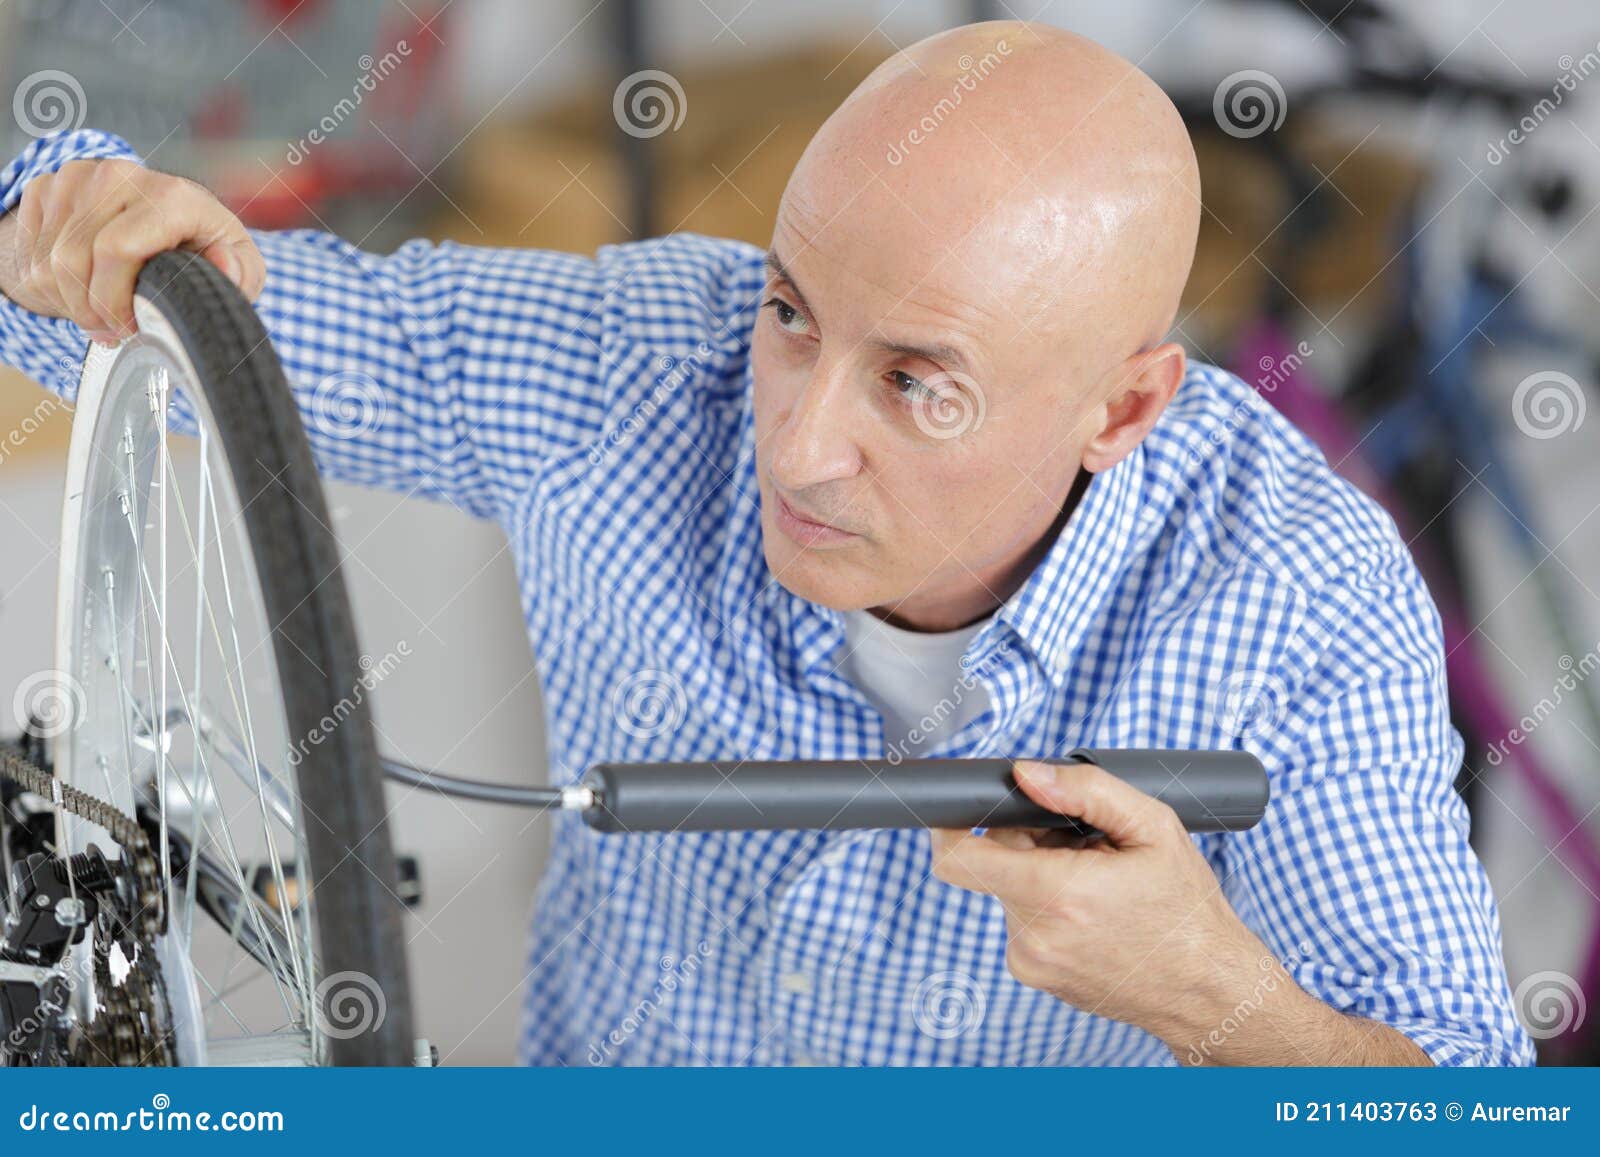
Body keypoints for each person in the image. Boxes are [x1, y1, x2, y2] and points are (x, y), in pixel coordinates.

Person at [0, 22, 1532, 1065]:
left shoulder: (1299, 595)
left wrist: (1227, 1002)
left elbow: (1466, 1100)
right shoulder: (641, 359)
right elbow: (194, 314)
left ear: (1121, 409)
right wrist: (80, 222)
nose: (794, 442)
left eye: (917, 384)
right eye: (794, 313)